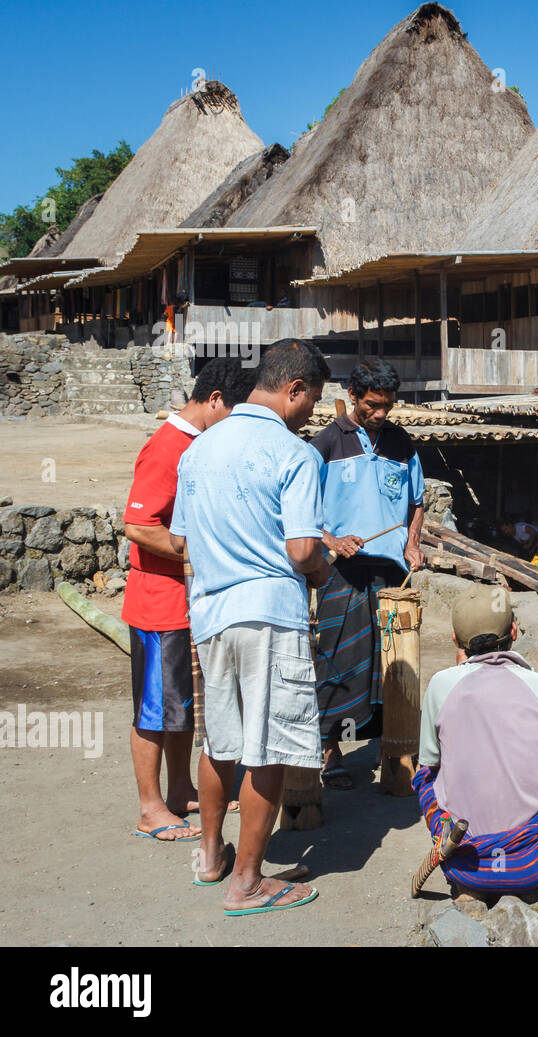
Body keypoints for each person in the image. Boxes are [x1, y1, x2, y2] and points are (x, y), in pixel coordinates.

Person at [171, 338, 331, 915]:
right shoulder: (294, 455)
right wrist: (321, 566)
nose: (312, 410)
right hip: (268, 613)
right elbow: (302, 547)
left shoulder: (198, 451)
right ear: (293, 389)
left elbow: (183, 539)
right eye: (311, 399)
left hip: (211, 613)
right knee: (269, 748)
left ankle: (212, 857)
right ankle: (247, 883)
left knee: (221, 741)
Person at [124, 358, 256, 842]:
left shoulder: (198, 445)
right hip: (159, 601)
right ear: (216, 400)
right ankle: (149, 806)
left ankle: (179, 790)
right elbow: (138, 524)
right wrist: (195, 551)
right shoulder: (167, 448)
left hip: (187, 603)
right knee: (155, 709)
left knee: (182, 703)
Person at [411, 587, 538, 896]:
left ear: (454, 640)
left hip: (465, 868)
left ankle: (462, 859)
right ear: (514, 631)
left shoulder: (440, 685)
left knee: (425, 775)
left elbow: (430, 767)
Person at [311, 359, 426, 789]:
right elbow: (301, 511)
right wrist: (332, 540)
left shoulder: (402, 444)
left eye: (388, 405)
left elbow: (417, 501)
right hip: (341, 572)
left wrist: (412, 543)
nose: (381, 413)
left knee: (389, 665)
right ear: (353, 396)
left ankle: (390, 750)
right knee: (340, 660)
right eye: (373, 405)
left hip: (391, 571)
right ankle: (332, 751)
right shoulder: (325, 444)